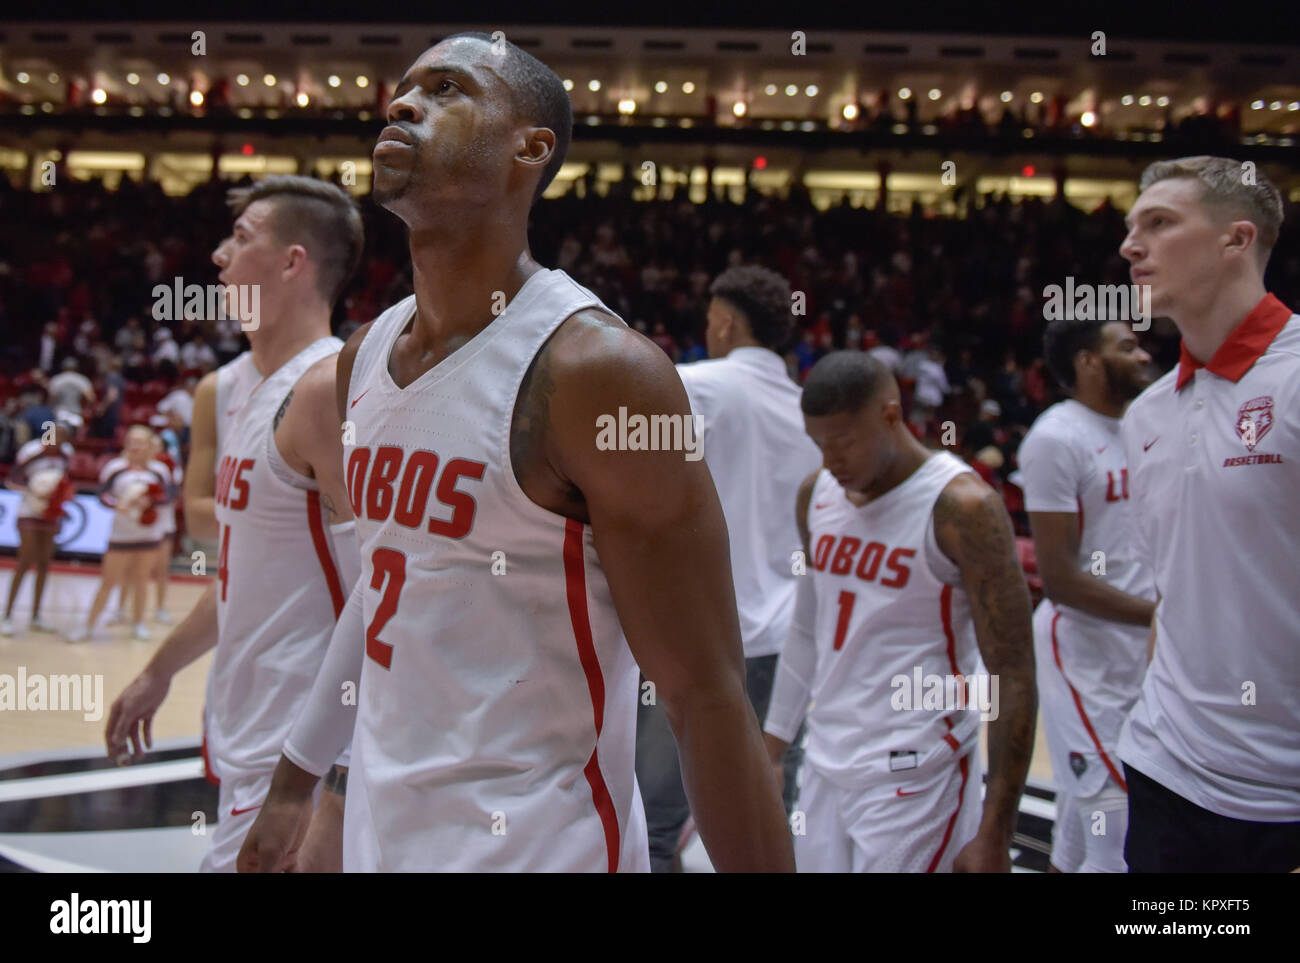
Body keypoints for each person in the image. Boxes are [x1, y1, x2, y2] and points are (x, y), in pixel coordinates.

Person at [238, 32, 793, 874]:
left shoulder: (599, 374)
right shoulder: (363, 357)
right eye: (403, 90)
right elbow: (389, 580)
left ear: (529, 149)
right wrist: (297, 779)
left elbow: (704, 694)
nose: (402, 104)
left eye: (447, 88)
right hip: (384, 845)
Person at [105, 174, 365, 873]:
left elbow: (379, 595)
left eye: (241, 238)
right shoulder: (243, 392)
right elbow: (243, 577)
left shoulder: (325, 391)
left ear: (293, 263)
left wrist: (327, 778)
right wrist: (158, 672)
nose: (218, 256)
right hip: (252, 739)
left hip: (302, 753)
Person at [763, 351, 1037, 872]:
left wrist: (996, 831)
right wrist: (773, 745)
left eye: (842, 441)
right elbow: (805, 627)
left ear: (891, 415)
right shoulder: (815, 495)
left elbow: (1013, 670)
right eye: (818, 443)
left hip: (917, 771)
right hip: (827, 758)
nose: (830, 460)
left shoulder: (962, 507)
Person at [1117, 155, 1300, 872]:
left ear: (1236, 239)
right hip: (1169, 770)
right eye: (1132, 227)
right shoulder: (1145, 415)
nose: (1131, 245)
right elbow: (1172, 592)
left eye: (1159, 224)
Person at [636, 264, 821, 871]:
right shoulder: (811, 413)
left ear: (724, 321)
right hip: (786, 643)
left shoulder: (691, 384)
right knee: (767, 821)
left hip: (698, 638)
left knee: (655, 822)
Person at [1018, 318, 1157, 872]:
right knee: (1116, 823)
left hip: (1138, 645)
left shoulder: (1148, 424)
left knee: (1076, 831)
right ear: (1087, 362)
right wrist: (1163, 615)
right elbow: (1059, 578)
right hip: (1082, 651)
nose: (1143, 354)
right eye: (1126, 346)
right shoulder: (1057, 438)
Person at [69, 425, 174, 642]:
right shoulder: (115, 467)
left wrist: (149, 501)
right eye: (131, 441)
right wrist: (118, 505)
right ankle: (88, 626)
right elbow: (102, 495)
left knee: (141, 580)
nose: (135, 446)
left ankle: (138, 623)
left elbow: (169, 496)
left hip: (148, 535)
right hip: (121, 534)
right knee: (109, 581)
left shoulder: (159, 470)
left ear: (149, 445)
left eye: (140, 442)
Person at [1, 422, 74, 636]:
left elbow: (64, 481)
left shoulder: (66, 454)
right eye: (55, 435)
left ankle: (36, 616)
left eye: (63, 436)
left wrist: (60, 499)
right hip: (29, 511)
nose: (59, 440)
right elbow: (12, 479)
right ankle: (7, 615)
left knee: (44, 562)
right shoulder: (32, 451)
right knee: (24, 561)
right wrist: (34, 493)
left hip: (50, 514)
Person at [47, 357, 96, 434]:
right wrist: (85, 408)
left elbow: (52, 399)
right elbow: (91, 398)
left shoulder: (57, 379)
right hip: (76, 413)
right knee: (75, 440)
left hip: (59, 413)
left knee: (57, 437)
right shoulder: (82, 379)